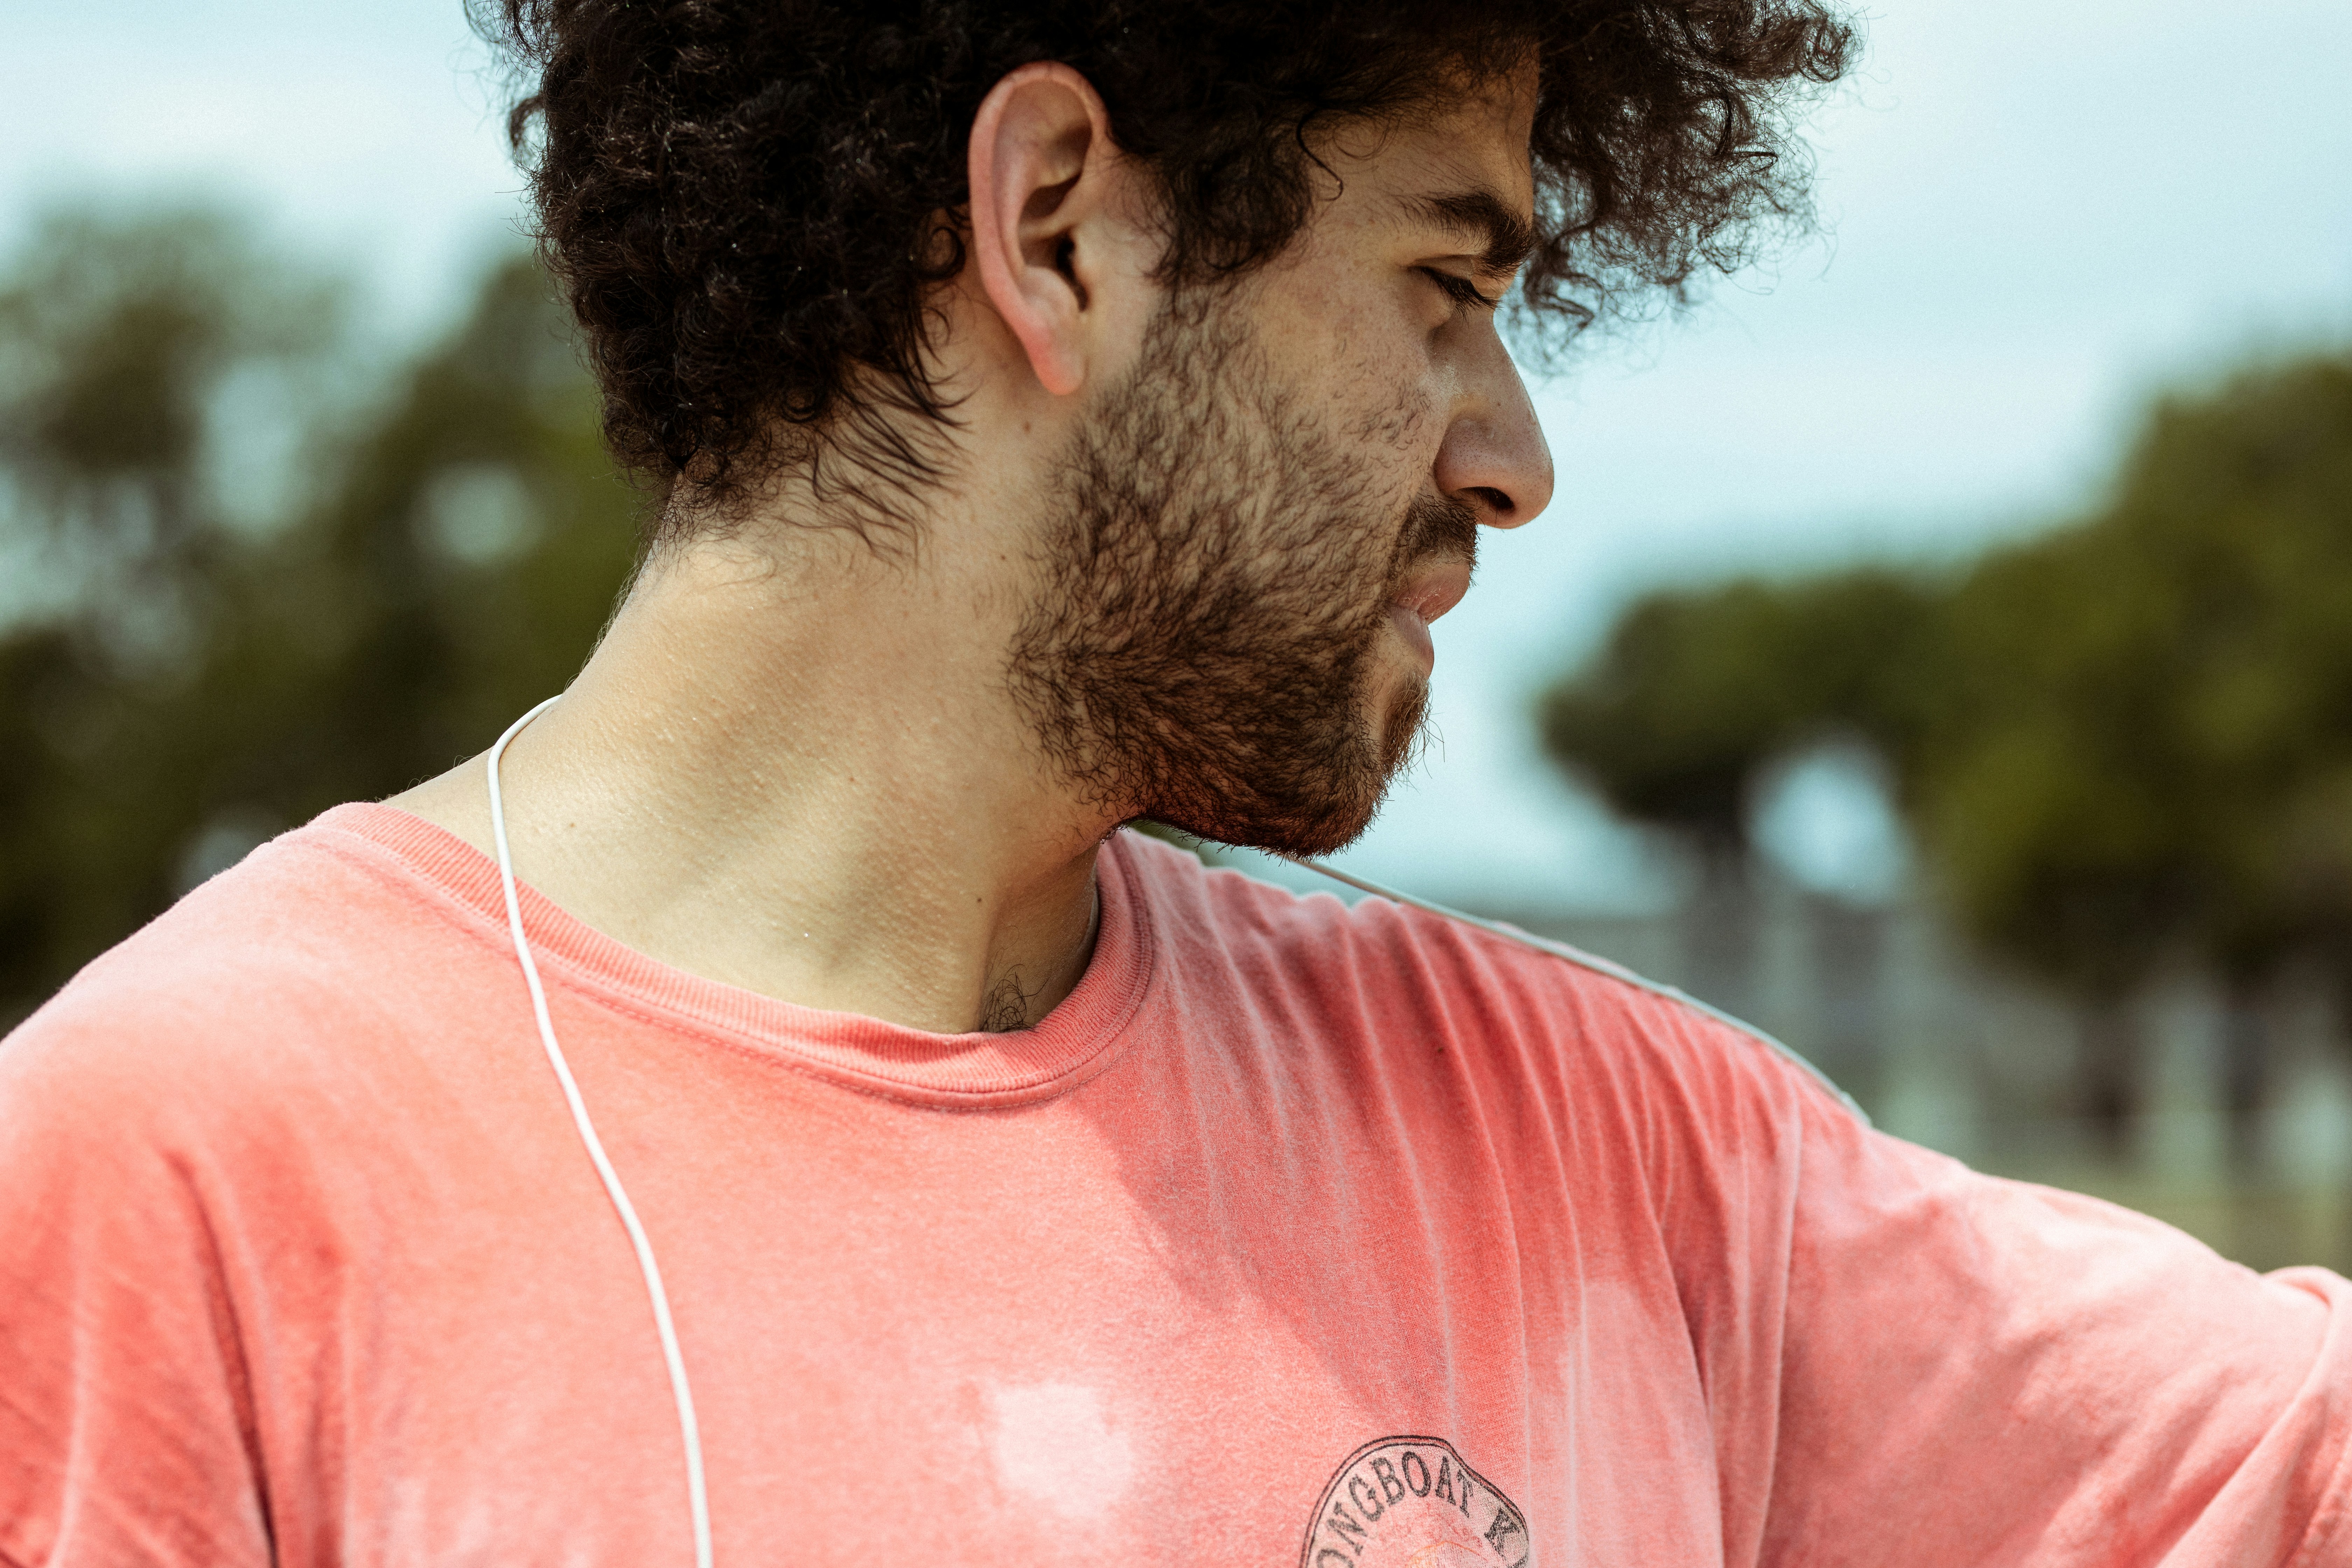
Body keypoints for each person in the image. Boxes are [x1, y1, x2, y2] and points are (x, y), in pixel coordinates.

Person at [5, 2, 2349, 1563]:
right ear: (1058, 228)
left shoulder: (1624, 1161)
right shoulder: (174, 1184)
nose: (1516, 460)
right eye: (1448, 281)